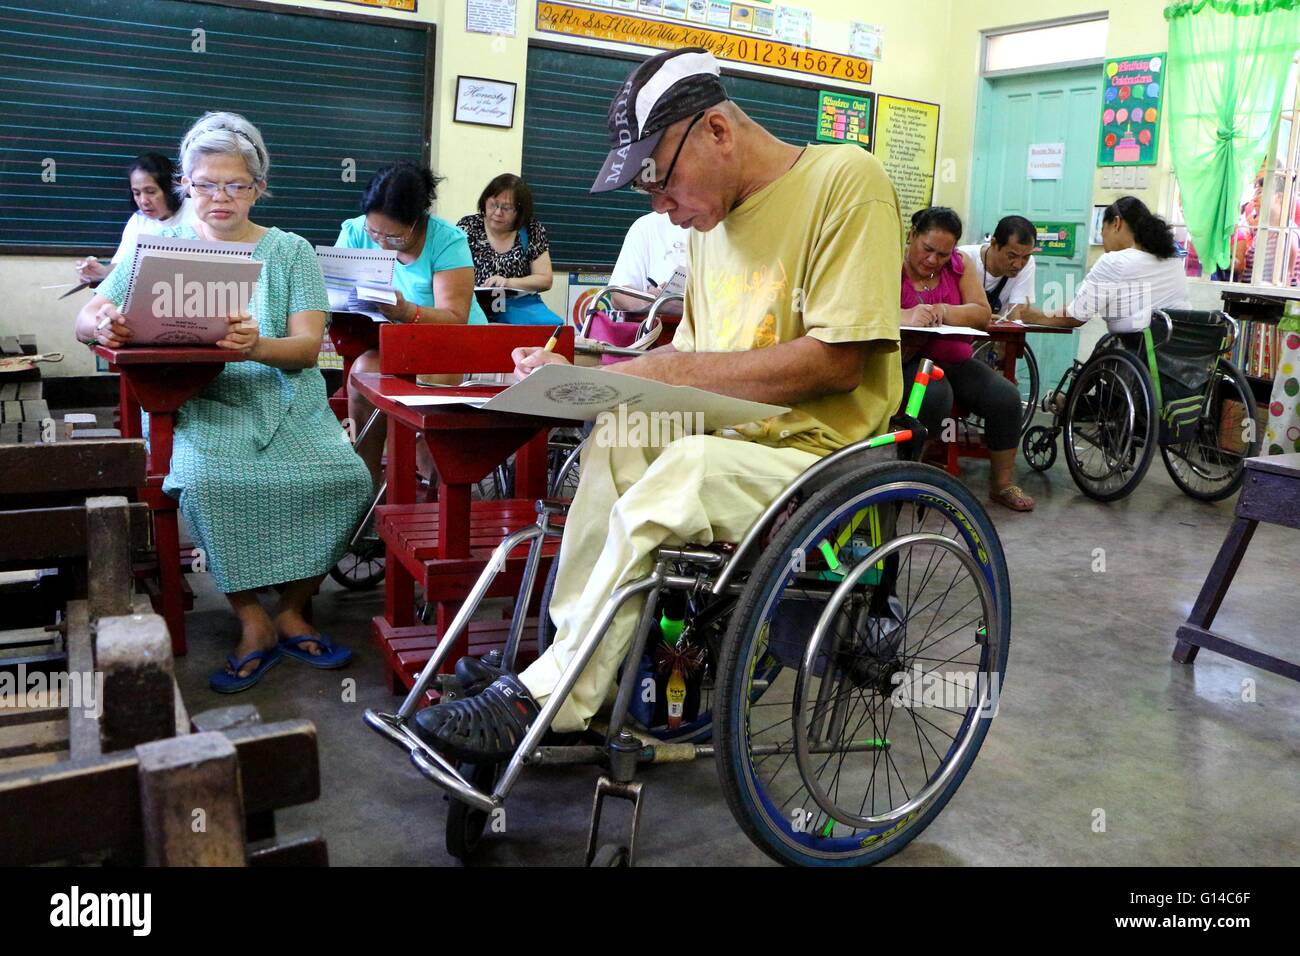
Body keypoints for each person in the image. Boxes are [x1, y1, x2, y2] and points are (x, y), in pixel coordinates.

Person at [411, 47, 903, 762]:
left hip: (815, 459)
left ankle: (554, 694)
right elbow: (693, 375)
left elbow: (836, 361)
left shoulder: (844, 180)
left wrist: (669, 366)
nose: (664, 213)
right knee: (619, 432)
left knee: (687, 468)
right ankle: (573, 662)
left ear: (718, 132)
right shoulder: (709, 230)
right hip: (731, 441)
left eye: (663, 184)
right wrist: (580, 369)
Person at [74, 112, 372, 693]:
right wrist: (100, 323)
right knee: (211, 482)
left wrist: (257, 345)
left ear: (259, 187)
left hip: (284, 396)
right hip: (196, 403)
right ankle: (253, 621)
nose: (219, 197)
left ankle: (291, 608)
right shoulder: (160, 248)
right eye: (205, 183)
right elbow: (86, 316)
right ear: (184, 185)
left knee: (347, 479)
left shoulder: (290, 253)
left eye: (236, 184)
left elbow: (308, 348)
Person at [336, 161, 487, 489]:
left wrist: (403, 310)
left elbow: (454, 318)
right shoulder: (354, 231)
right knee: (362, 375)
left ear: (417, 220)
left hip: (452, 348)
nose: (381, 243)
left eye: (393, 235)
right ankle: (367, 482)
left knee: (406, 392)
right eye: (374, 232)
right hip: (390, 345)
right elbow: (334, 289)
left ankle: (429, 483)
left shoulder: (447, 240)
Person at [901, 207, 1034, 512]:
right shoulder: (891, 266)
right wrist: (908, 314)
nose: (934, 260)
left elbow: (981, 312)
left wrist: (944, 309)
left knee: (1005, 397)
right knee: (935, 394)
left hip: (954, 360)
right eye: (928, 249)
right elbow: (871, 312)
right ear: (912, 236)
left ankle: (1002, 484)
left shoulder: (960, 265)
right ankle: (908, 476)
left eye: (943, 254)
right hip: (909, 360)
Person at [1017, 196, 1189, 332]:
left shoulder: (1115, 261)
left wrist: (1034, 316)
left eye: (1102, 232)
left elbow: (1075, 316)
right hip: (1179, 351)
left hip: (1137, 353)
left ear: (1116, 223)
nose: (1104, 241)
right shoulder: (1174, 260)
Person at [73, 152, 195, 284]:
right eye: (136, 193)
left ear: (169, 189)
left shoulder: (196, 212)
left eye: (151, 192)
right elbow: (122, 266)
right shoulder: (138, 220)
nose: (143, 201)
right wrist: (102, 272)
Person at [457, 175, 564, 325]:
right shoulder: (468, 226)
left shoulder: (532, 230)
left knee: (551, 328)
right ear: (484, 201)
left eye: (506, 208)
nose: (498, 212)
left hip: (517, 305)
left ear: (520, 211)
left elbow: (545, 280)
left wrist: (507, 282)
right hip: (473, 304)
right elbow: (451, 270)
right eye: (493, 204)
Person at [607, 210, 689, 313]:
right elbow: (618, 295)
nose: (658, 204)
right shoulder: (648, 225)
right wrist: (653, 302)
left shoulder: (714, 230)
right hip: (663, 325)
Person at [958, 216, 1038, 316]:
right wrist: (981, 317)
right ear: (994, 243)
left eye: (1026, 257)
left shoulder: (1028, 263)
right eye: (1011, 256)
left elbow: (1017, 313)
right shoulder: (962, 258)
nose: (1018, 265)